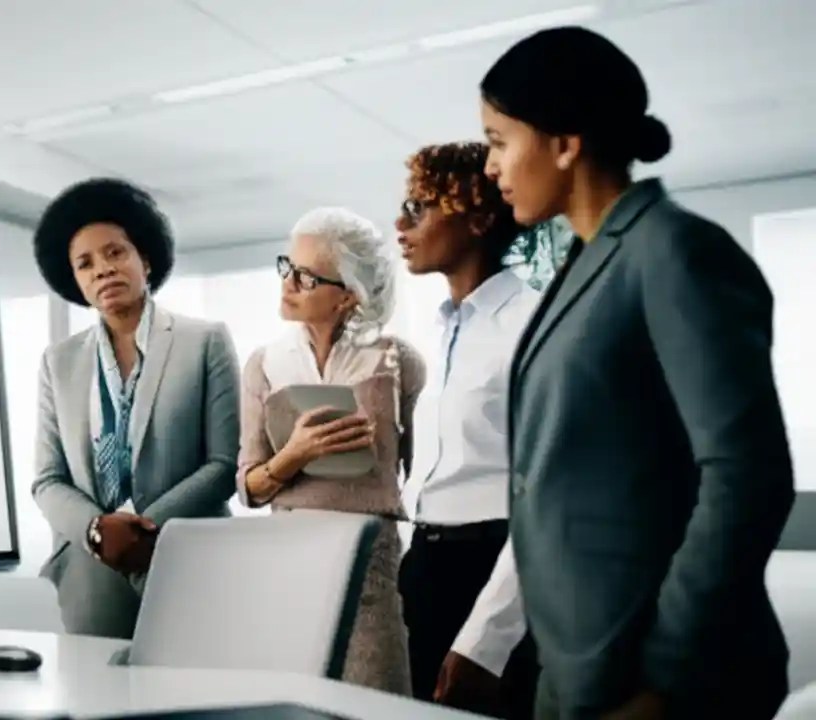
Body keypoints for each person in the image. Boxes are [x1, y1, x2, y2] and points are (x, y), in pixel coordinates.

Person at [480, 26, 795, 719]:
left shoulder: (675, 251)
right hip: (581, 666)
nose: (490, 165)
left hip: (661, 681)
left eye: (500, 139)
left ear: (564, 143)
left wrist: (667, 678)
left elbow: (747, 475)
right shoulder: (583, 264)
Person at [30, 177, 242, 639]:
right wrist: (97, 531)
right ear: (75, 281)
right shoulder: (58, 361)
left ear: (145, 258)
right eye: (84, 264)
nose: (102, 270)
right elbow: (46, 479)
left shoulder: (204, 341)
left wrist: (145, 530)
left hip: (190, 562)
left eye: (114, 253)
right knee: (97, 703)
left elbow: (225, 464)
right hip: (92, 571)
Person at [236, 206, 422, 693]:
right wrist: (292, 456)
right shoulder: (265, 364)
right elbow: (249, 488)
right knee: (297, 703)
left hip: (371, 568)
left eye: (305, 277)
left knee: (375, 704)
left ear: (348, 297)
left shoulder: (398, 361)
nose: (287, 283)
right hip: (289, 563)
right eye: (287, 267)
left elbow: (420, 471)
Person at [394, 142, 541, 719]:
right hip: (428, 565)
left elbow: (542, 499)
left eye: (418, 207)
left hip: (491, 564)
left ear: (479, 218)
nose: (400, 225)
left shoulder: (528, 324)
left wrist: (489, 637)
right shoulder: (448, 329)